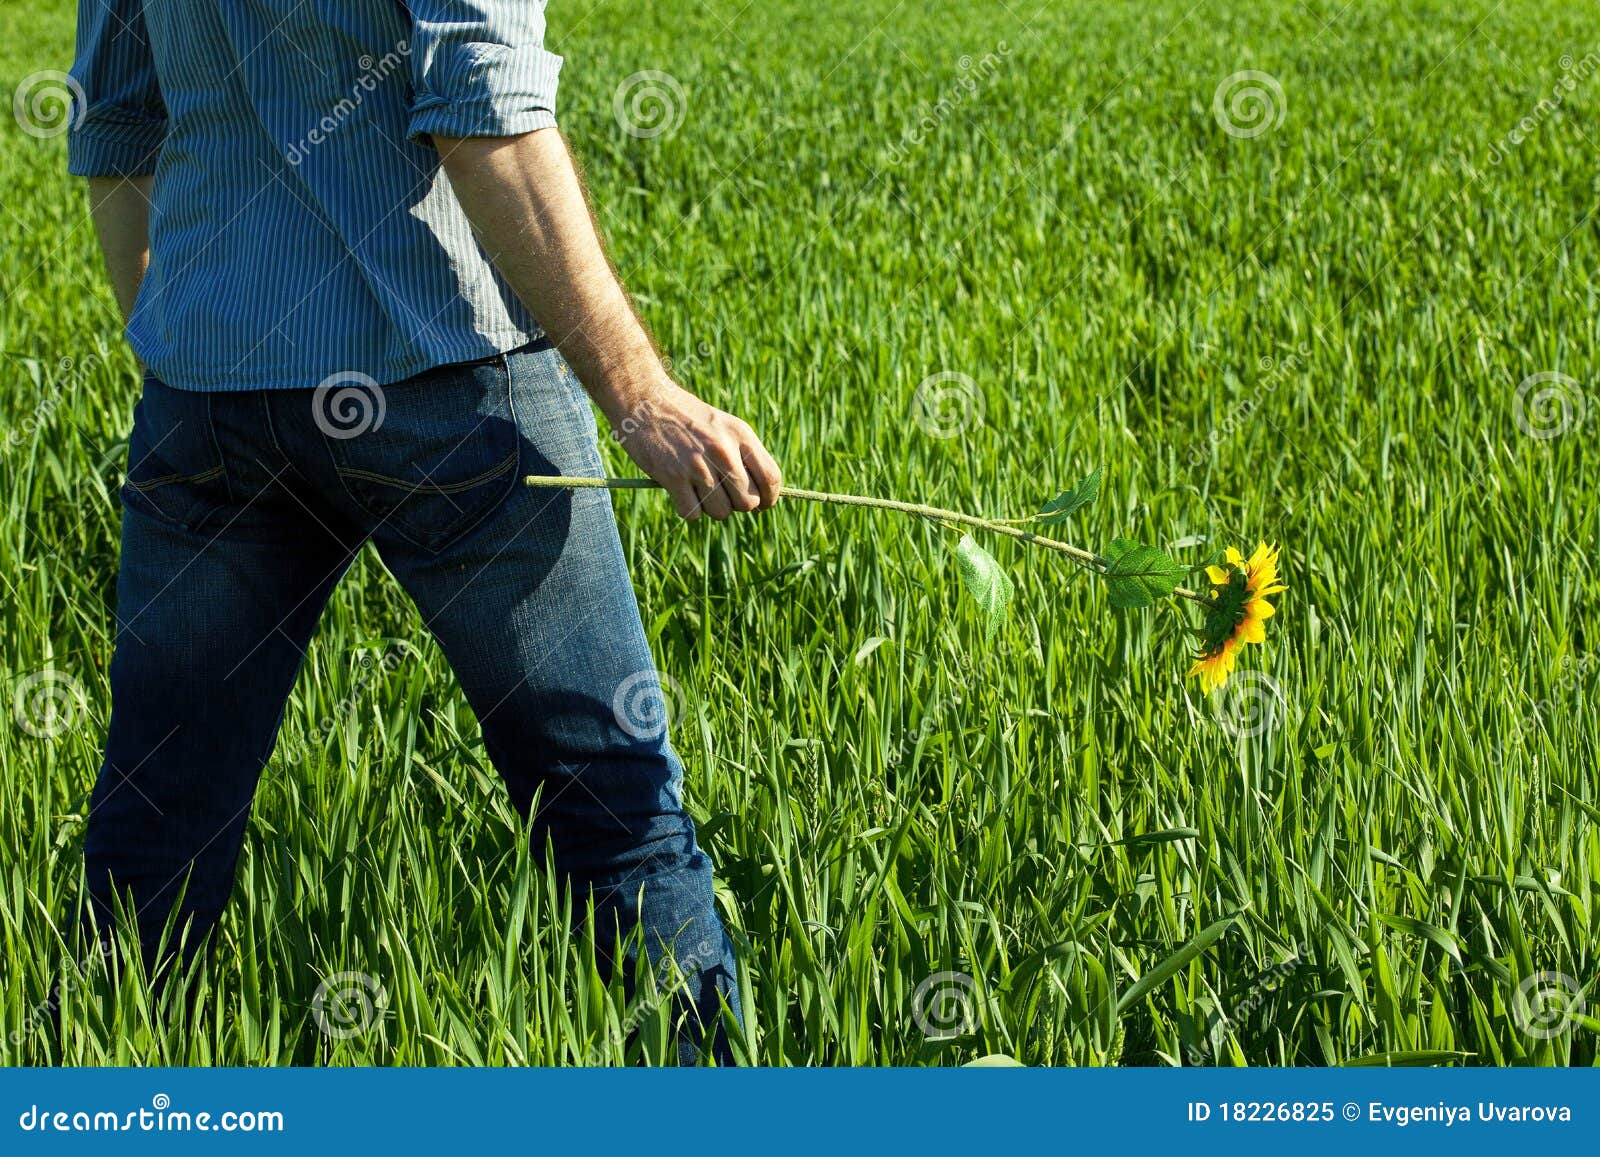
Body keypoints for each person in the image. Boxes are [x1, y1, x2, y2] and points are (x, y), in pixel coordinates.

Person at [67, 0, 780, 1064]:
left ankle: (87, 1091)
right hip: (450, 384)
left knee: (154, 825)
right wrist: (642, 397)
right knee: (616, 814)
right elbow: (484, 108)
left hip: (206, 394)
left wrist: (185, 343)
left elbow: (117, 128)